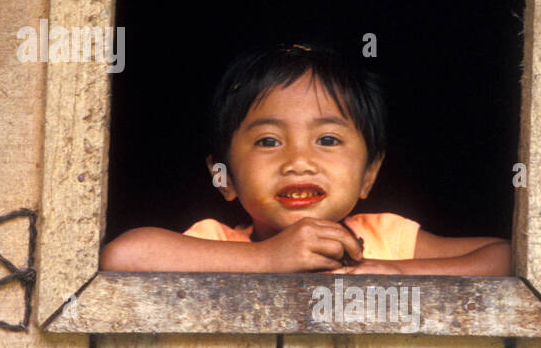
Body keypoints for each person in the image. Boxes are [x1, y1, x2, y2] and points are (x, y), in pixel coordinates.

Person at [99, 42, 511, 276]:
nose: (298, 161)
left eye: (327, 139)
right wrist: (267, 258)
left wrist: (400, 274)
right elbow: (122, 256)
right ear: (222, 177)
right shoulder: (217, 244)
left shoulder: (388, 239)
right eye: (268, 141)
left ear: (369, 175)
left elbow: (506, 256)